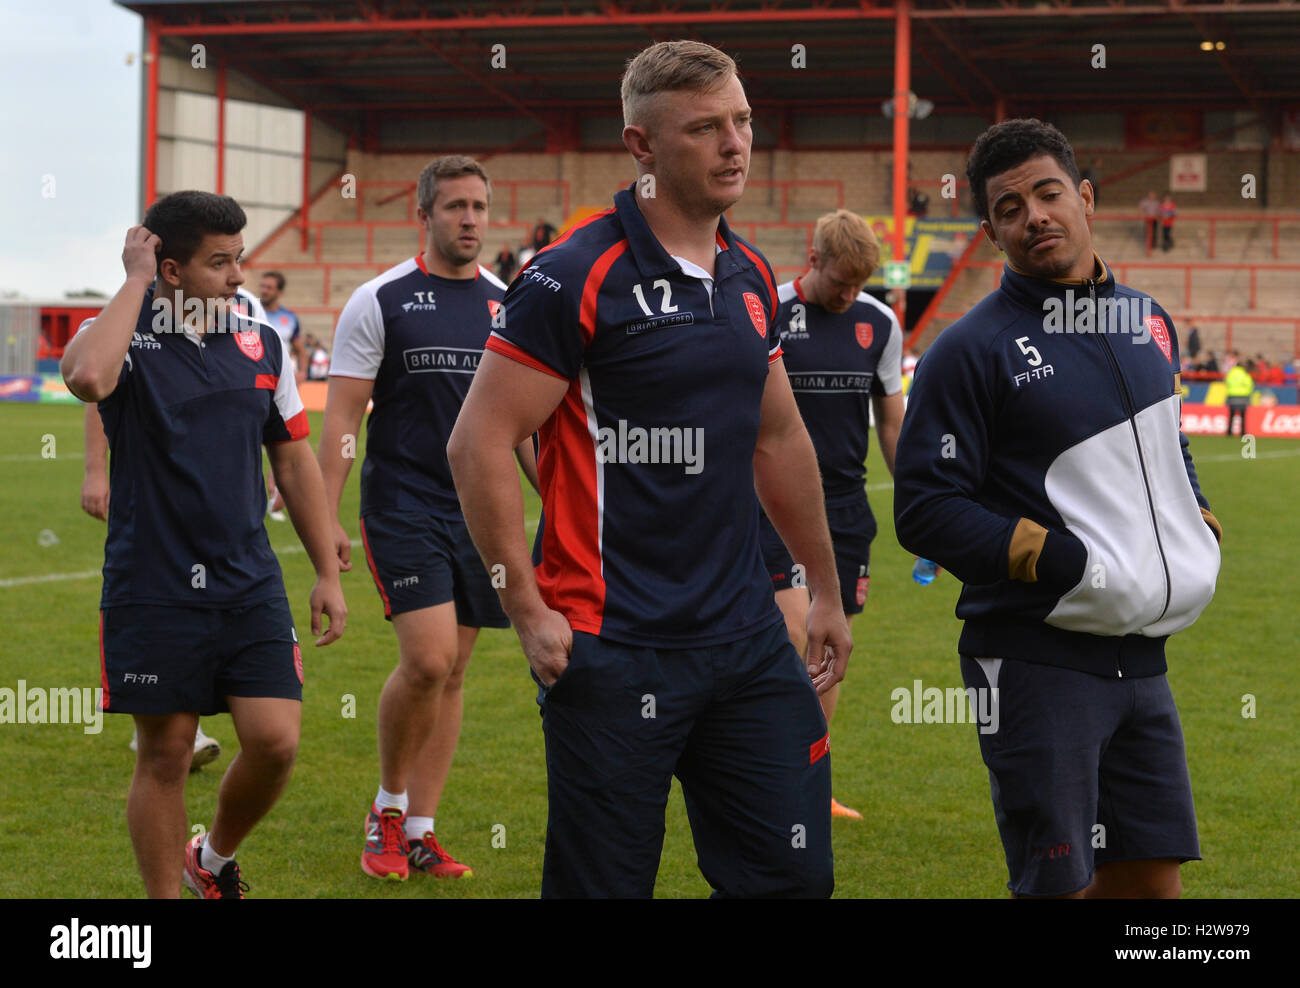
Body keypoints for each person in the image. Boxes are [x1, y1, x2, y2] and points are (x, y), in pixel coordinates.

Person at [447, 40, 852, 899]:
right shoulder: (571, 275)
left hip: (746, 638)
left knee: (793, 878)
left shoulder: (750, 271)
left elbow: (779, 438)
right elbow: (477, 442)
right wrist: (525, 609)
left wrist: (823, 587)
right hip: (612, 646)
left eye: (742, 121)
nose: (735, 144)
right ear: (642, 145)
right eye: (705, 128)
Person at [894, 119, 1222, 899]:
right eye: (1009, 209)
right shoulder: (967, 351)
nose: (1034, 216)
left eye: (1048, 194)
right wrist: (1055, 558)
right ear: (991, 231)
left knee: (1150, 885)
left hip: (1141, 659)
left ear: (1086, 198)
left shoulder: (1148, 320)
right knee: (1059, 887)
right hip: (1035, 661)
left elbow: (1169, 445)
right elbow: (924, 508)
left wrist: (1200, 519)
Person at [59, 191, 346, 898]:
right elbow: (88, 379)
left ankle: (210, 858)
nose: (238, 276)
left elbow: (292, 460)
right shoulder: (116, 333)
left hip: (248, 580)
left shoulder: (260, 340)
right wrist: (134, 280)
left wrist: (326, 570)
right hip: (152, 582)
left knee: (275, 741)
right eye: (220, 262)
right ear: (171, 269)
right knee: (166, 755)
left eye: (239, 258)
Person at [318, 156, 537, 882]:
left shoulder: (510, 304)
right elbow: (343, 419)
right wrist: (326, 518)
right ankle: (386, 808)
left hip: (483, 512)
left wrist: (565, 505)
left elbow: (524, 427)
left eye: (479, 206)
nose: (470, 220)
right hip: (402, 504)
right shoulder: (378, 300)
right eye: (454, 207)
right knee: (430, 658)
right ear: (425, 215)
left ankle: (420, 828)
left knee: (456, 670)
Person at [759, 209, 903, 821]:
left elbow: (891, 420)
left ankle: (809, 783)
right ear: (814, 260)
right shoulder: (769, 310)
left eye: (860, 285)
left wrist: (915, 496)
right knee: (797, 631)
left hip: (846, 509)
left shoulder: (881, 323)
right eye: (842, 282)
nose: (850, 296)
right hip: (771, 504)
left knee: (829, 648)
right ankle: (768, 774)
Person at [1224, 359, 1254, 436]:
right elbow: (1249, 384)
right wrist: (1248, 393)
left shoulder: (1230, 373)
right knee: (1243, 416)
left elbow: (1226, 383)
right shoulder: (1244, 374)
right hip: (1243, 397)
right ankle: (1242, 432)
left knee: (1231, 415)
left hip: (1232, 396)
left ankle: (1229, 432)